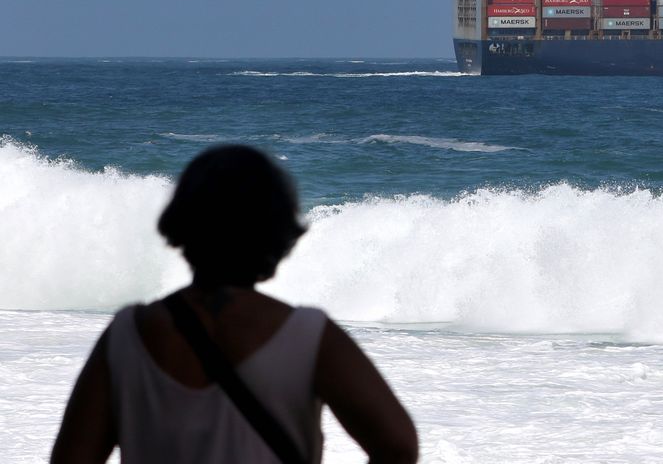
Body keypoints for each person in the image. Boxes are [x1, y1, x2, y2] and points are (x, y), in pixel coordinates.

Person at [52, 145, 418, 464]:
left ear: (183, 223)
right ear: (276, 233)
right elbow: (398, 446)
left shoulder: (126, 337)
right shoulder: (308, 337)